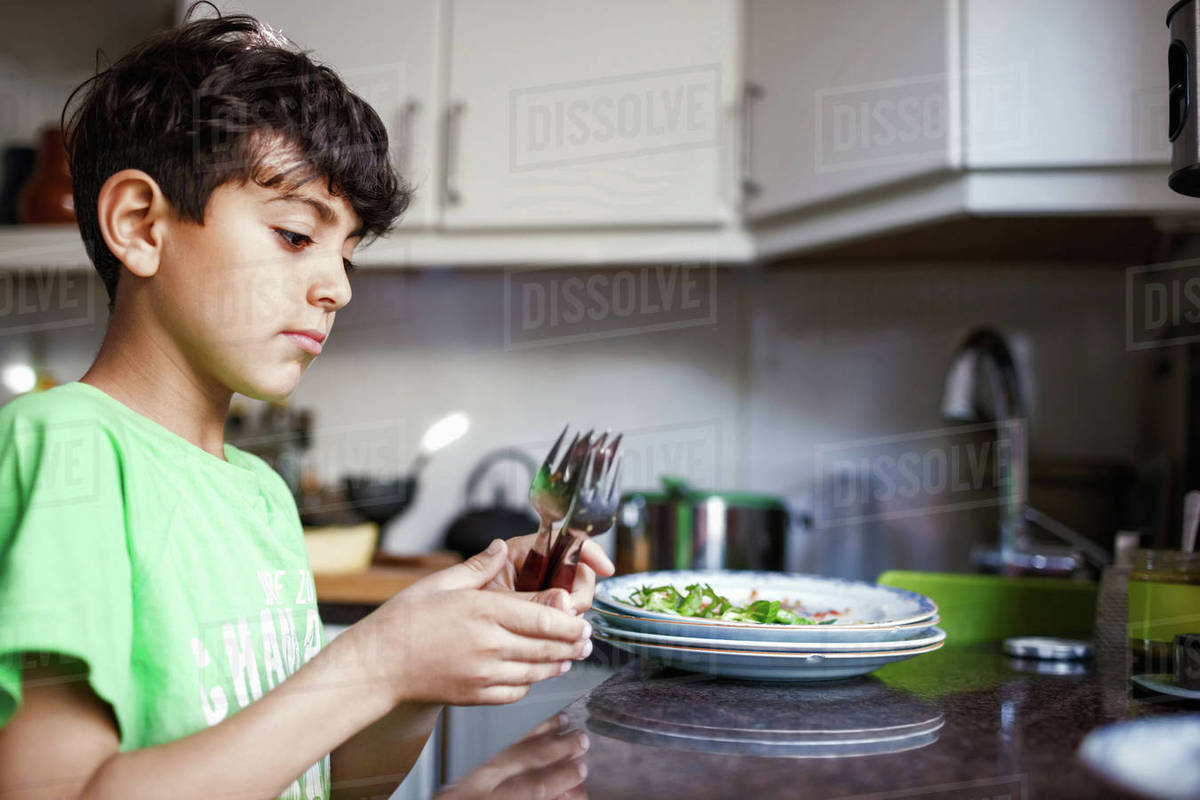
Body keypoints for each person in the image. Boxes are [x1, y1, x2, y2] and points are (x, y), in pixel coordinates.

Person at [0, 6, 612, 799]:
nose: (338, 287)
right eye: (295, 234)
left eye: (347, 252)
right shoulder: (62, 447)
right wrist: (378, 659)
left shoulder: (259, 495)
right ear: (140, 224)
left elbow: (330, 786)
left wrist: (421, 668)